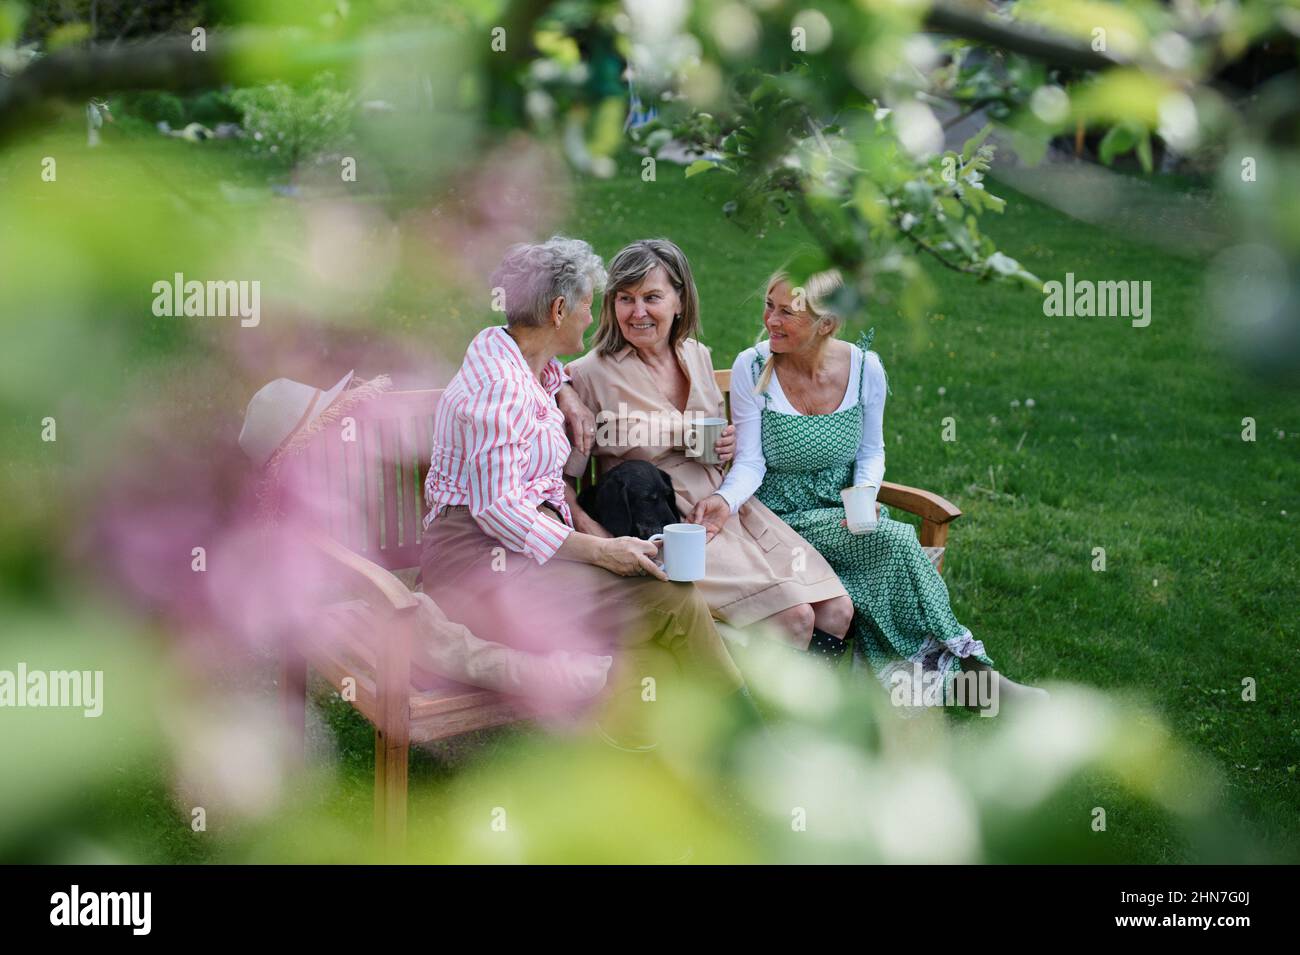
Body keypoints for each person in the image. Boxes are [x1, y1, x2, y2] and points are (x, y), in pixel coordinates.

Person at [419, 236, 751, 747]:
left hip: (525, 555)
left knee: (668, 604)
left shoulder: (521, 362)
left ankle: (702, 742)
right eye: (585, 303)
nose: (591, 314)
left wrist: (567, 395)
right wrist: (601, 550)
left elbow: (549, 379)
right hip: (478, 569)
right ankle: (746, 740)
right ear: (557, 310)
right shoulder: (497, 390)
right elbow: (498, 509)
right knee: (669, 607)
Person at [699, 267, 1047, 707]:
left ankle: (944, 680)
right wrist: (723, 500)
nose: (771, 320)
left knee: (884, 555)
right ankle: (975, 677)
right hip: (780, 521)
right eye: (770, 306)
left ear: (827, 323)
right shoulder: (754, 367)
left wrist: (863, 492)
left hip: (845, 514)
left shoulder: (865, 369)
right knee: (898, 540)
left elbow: (871, 451)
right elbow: (749, 462)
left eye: (788, 312)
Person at [564, 239, 855, 666]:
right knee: (792, 618)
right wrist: (595, 536)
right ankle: (761, 723)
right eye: (625, 299)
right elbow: (561, 481)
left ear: (680, 300)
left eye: (651, 297)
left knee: (836, 610)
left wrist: (726, 444)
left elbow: (717, 439)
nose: (637, 312)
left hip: (727, 508)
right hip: (671, 526)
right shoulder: (589, 373)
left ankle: (808, 716)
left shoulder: (696, 355)